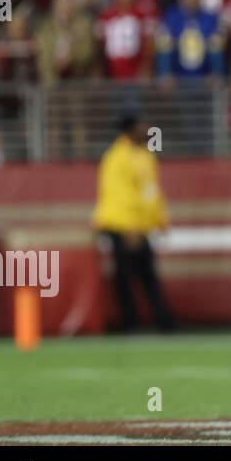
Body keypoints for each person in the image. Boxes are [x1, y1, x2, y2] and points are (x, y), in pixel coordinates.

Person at [92, 112, 176, 332]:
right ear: (129, 130)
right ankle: (131, 322)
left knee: (147, 275)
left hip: (140, 226)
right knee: (125, 278)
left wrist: (160, 220)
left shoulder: (145, 156)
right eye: (141, 125)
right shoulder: (116, 158)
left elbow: (151, 191)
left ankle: (162, 321)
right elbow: (120, 195)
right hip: (122, 225)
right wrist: (131, 228)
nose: (146, 129)